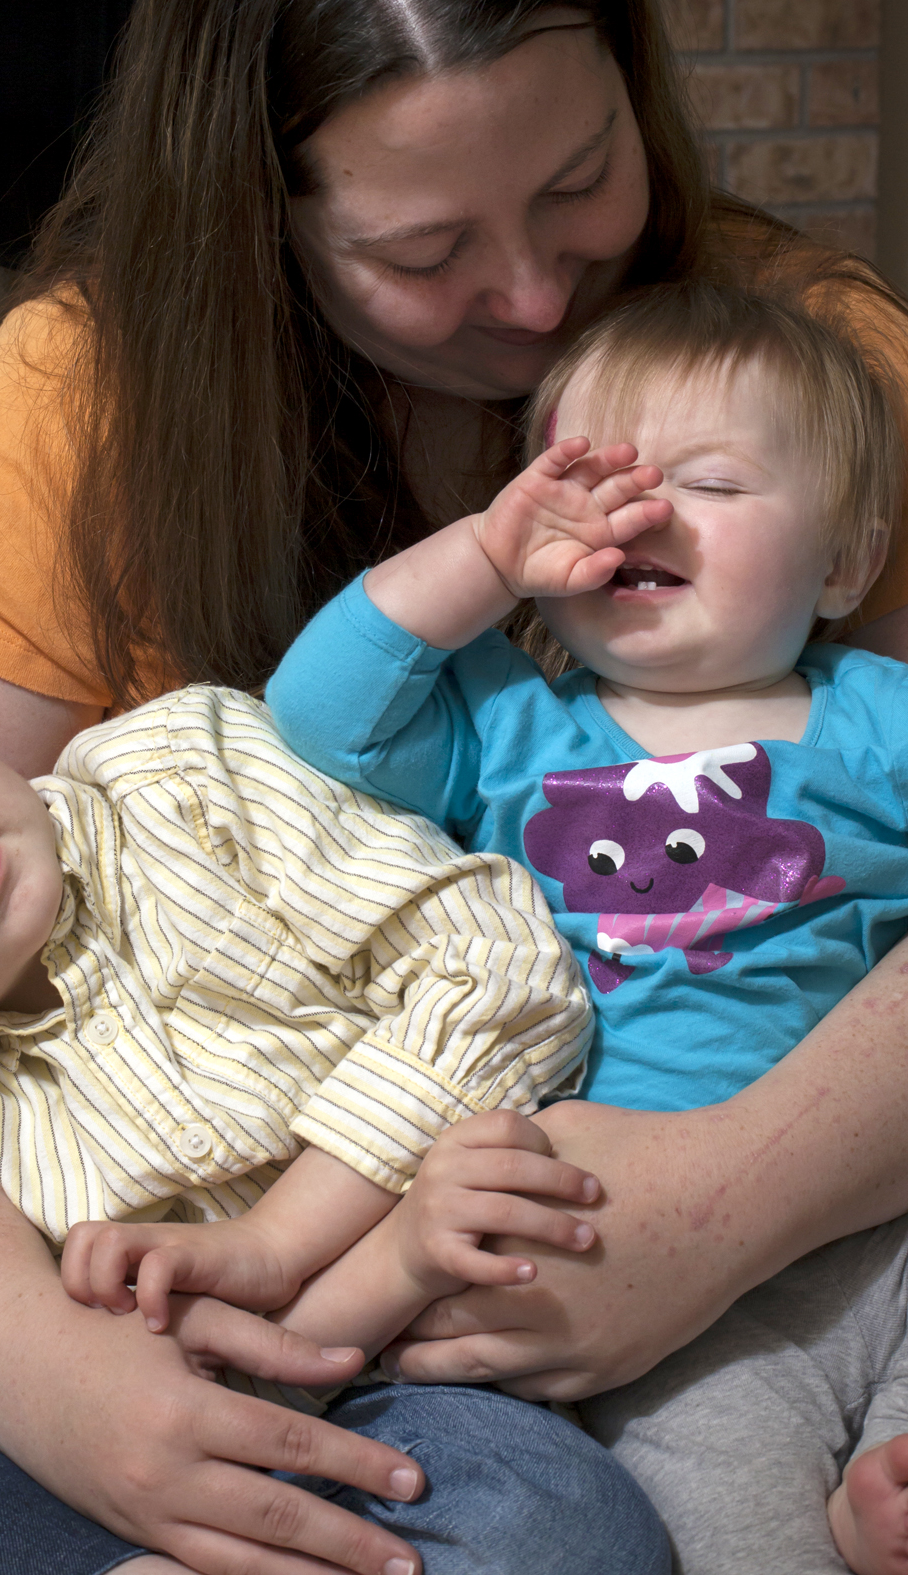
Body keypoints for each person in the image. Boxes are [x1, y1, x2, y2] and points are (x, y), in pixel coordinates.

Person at [0, 0, 908, 1575]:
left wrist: (718, 1214)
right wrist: (55, 1387)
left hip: (495, 1269)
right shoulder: (78, 398)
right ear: (262, 219)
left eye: (581, 182)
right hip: (109, 1237)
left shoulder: (789, 375)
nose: (535, 297)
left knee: (559, 1531)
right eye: (423, 251)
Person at [0, 648, 671, 1573]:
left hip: (442, 1373)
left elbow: (500, 971)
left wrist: (321, 1244)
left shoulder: (187, 773)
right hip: (249, 1422)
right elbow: (179, 1406)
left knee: (559, 1525)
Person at [266, 276, 908, 1575]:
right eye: (590, 484)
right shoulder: (514, 732)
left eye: (712, 484)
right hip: (650, 1276)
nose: (644, 511)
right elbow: (318, 708)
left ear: (843, 559)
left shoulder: (879, 716)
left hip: (882, 1202)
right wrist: (484, 558)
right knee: (720, 1516)